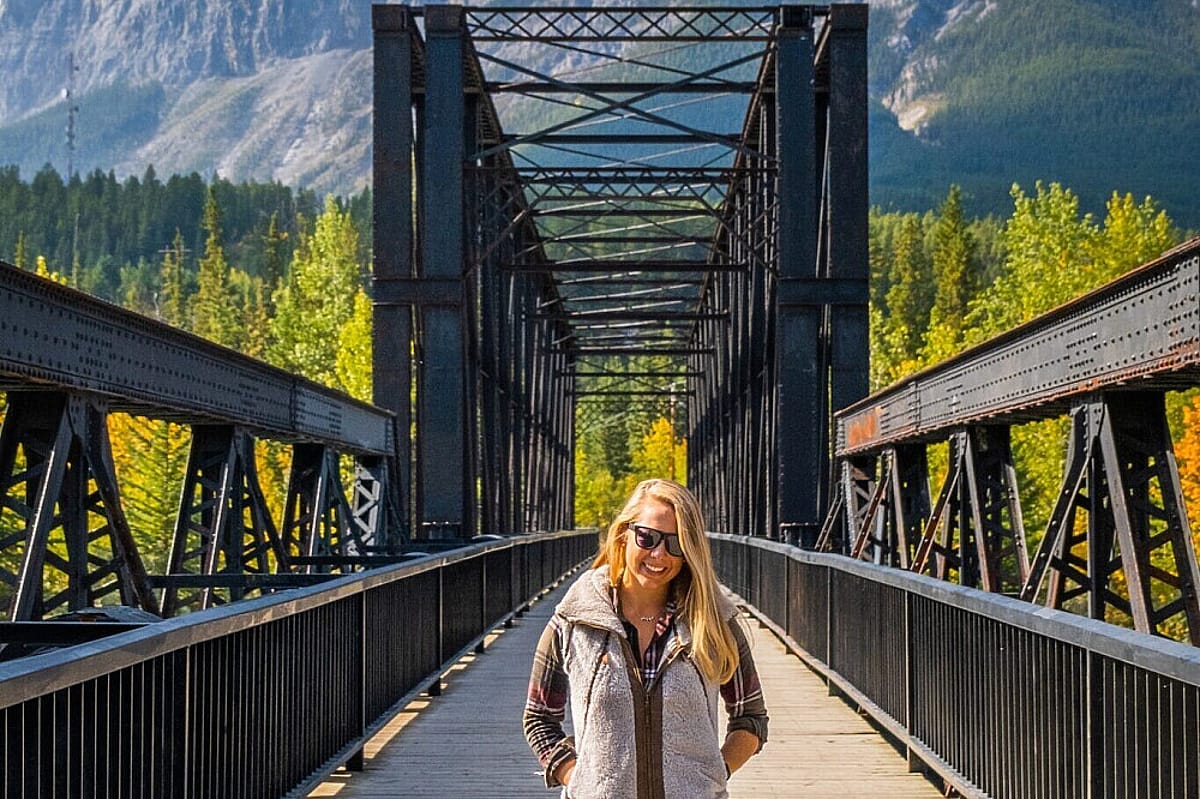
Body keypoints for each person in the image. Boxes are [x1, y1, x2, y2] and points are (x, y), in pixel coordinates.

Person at [523, 478, 768, 799]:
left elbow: (750, 717)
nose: (659, 554)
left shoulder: (713, 620)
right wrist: (579, 779)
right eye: (647, 538)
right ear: (624, 535)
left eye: (676, 543)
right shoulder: (575, 619)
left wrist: (712, 775)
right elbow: (539, 717)